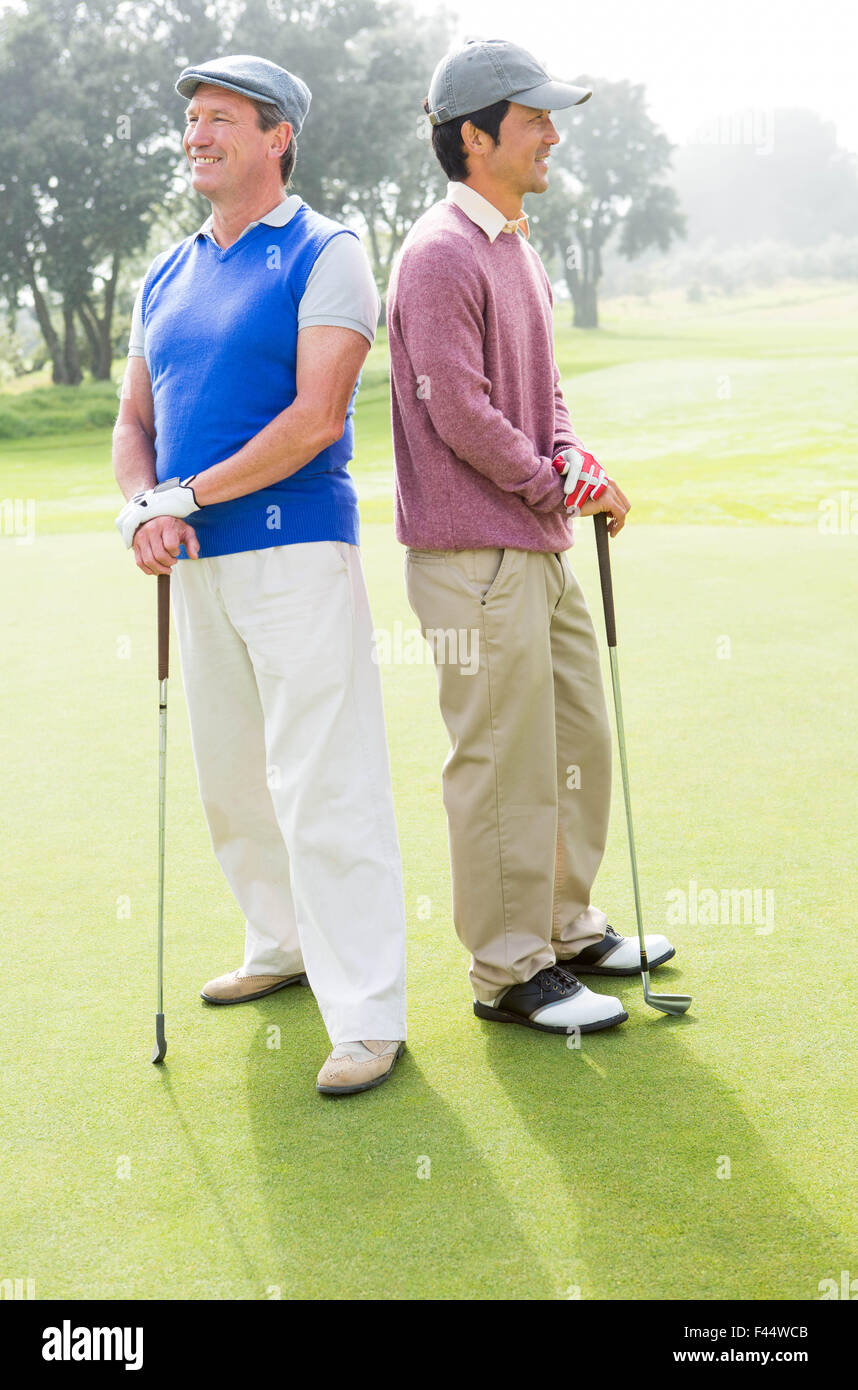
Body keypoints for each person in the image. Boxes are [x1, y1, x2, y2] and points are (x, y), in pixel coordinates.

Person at [113, 55, 406, 1095]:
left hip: (295, 550)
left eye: (220, 118)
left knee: (326, 785)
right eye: (190, 118)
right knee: (232, 778)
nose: (196, 133)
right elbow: (134, 420)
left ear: (277, 135)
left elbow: (314, 418)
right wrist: (139, 505)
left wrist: (181, 496)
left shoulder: (326, 252)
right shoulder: (166, 271)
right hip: (198, 563)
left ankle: (367, 1014)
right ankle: (277, 945)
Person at [387, 39, 675, 1037]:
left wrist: (570, 458)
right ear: (475, 137)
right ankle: (507, 972)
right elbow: (458, 410)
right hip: (472, 555)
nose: (552, 133)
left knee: (573, 742)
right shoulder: (436, 253)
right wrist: (553, 478)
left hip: (533, 542)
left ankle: (560, 923)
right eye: (533, 118)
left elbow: (541, 393)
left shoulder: (514, 242)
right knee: (501, 759)